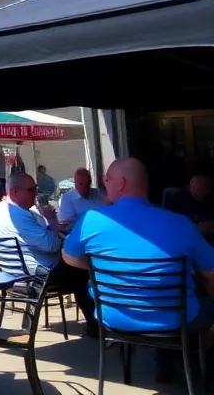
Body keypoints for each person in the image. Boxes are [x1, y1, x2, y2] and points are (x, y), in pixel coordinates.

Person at [64, 158, 214, 384]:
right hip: (176, 320)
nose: (104, 185)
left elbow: (69, 257)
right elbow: (211, 273)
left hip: (113, 318)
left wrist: (104, 266)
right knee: (204, 307)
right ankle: (194, 366)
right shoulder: (181, 224)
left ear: (121, 183)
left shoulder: (92, 220)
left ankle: (168, 360)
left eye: (107, 180)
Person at [0, 171, 96, 336]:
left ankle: (96, 323)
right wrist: (52, 222)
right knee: (82, 267)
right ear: (14, 192)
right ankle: (97, 326)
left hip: (14, 274)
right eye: (31, 190)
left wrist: (48, 223)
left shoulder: (2, 212)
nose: (36, 193)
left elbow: (43, 235)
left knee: (77, 267)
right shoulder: (19, 217)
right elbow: (52, 245)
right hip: (36, 277)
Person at [163, 173, 214, 239]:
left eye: (207, 185)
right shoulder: (176, 198)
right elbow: (166, 223)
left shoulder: (211, 204)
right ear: (190, 183)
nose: (202, 187)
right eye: (198, 183)